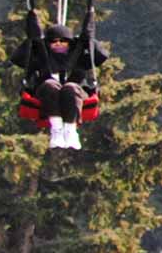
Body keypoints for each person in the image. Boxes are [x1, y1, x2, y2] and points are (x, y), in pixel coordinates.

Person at [8, 10, 107, 149]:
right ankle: (57, 129)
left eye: (63, 41)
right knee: (50, 84)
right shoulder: (41, 56)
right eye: (53, 42)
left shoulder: (79, 56)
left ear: (69, 42)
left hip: (76, 94)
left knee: (70, 87)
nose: (58, 44)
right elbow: (18, 59)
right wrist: (32, 41)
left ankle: (70, 130)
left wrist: (89, 40)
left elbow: (100, 56)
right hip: (47, 94)